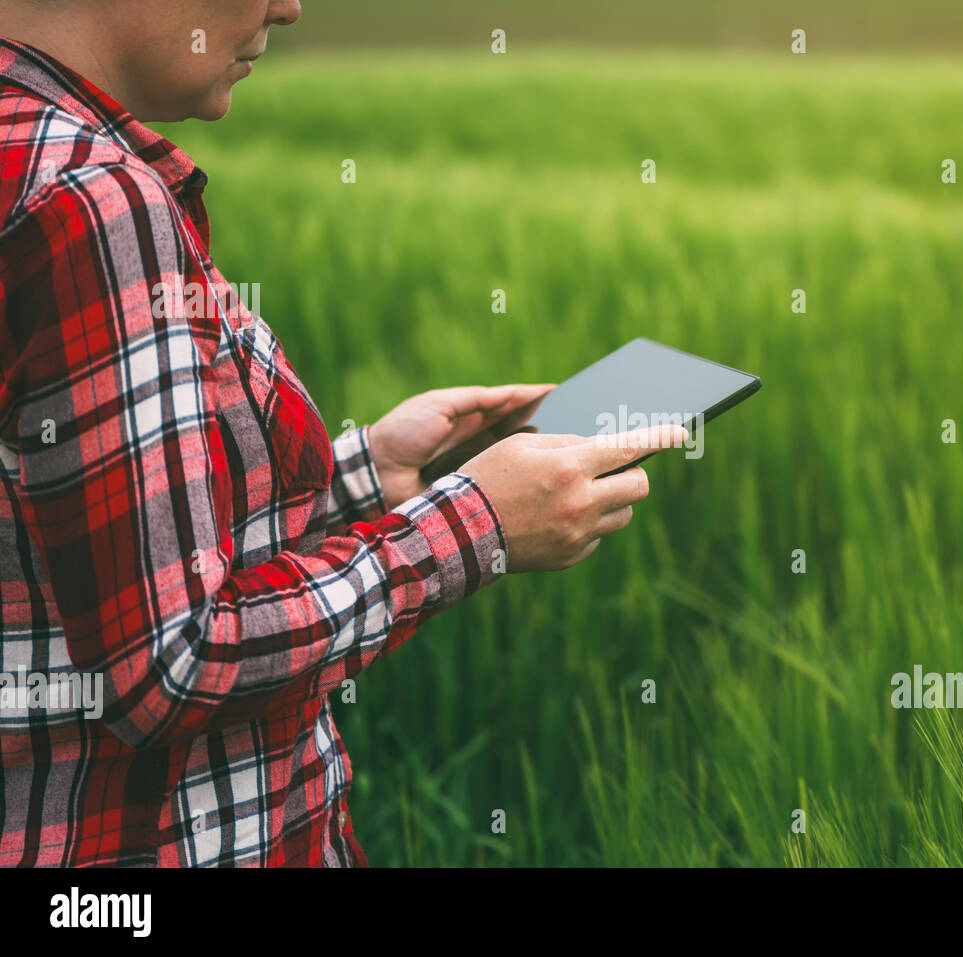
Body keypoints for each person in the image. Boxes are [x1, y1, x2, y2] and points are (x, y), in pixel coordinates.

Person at [0, 0, 685, 866]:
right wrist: (472, 529)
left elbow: (57, 561)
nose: (290, 6)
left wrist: (359, 480)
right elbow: (174, 662)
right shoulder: (89, 199)